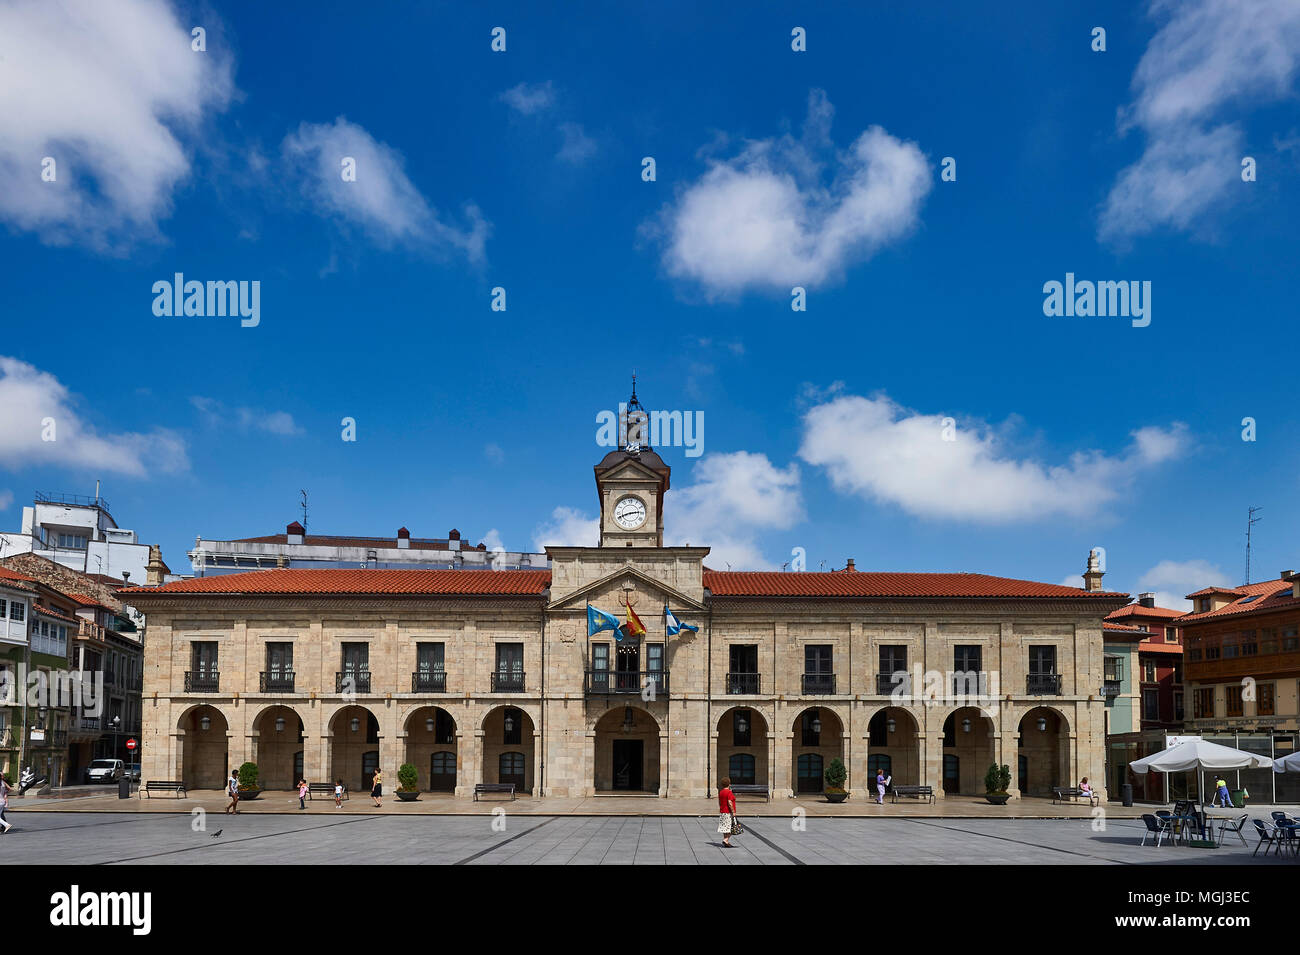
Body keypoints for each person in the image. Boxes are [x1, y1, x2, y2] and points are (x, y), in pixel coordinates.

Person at [716, 777, 737, 847]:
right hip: (728, 812)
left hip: (723, 812)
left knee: (725, 827)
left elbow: (719, 802)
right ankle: (726, 840)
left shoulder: (721, 792)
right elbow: (729, 802)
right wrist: (733, 811)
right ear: (729, 784)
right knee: (732, 826)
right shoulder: (729, 792)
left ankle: (726, 842)